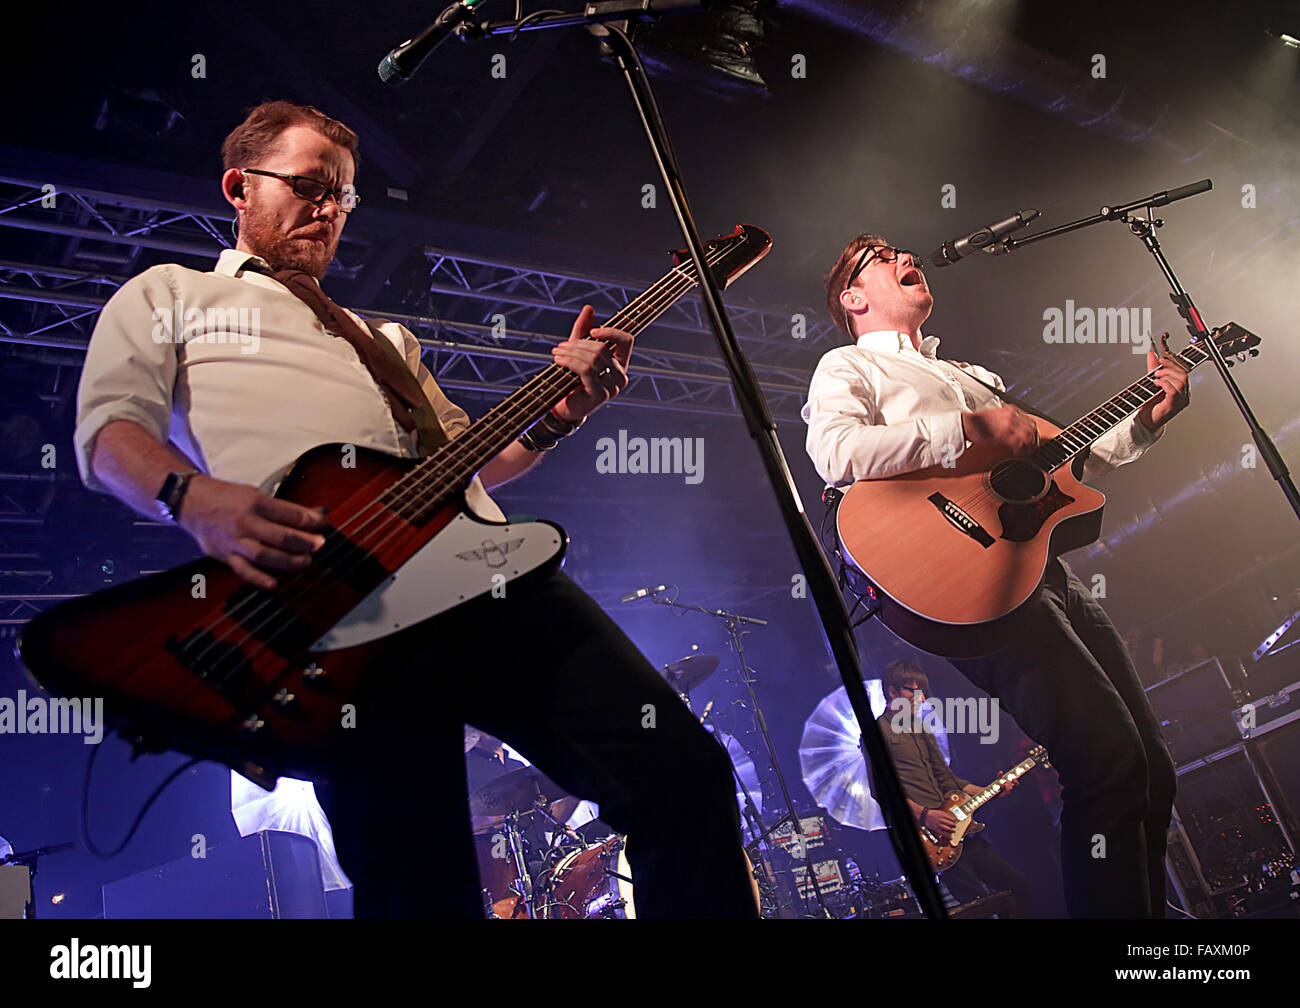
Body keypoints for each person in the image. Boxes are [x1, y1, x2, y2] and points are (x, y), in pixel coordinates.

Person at [73, 100, 756, 918]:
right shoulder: (169, 294)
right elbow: (108, 434)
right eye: (309, 186)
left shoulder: (385, 340)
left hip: (491, 583)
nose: (329, 210)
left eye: (345, 197)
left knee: (685, 778)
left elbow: (475, 462)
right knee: (418, 885)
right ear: (238, 187)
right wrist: (193, 498)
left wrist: (563, 412)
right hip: (341, 615)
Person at [804, 234, 1188, 918]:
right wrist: (967, 427)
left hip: (1044, 570)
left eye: (902, 249)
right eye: (881, 256)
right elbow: (835, 453)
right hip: (969, 576)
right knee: (1104, 759)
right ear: (853, 297)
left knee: (1151, 769)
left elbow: (1061, 466)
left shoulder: (971, 375)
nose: (903, 256)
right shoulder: (849, 366)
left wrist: (1147, 422)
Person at [875, 660, 1031, 915]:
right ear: (893, 692)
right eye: (914, 692)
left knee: (1017, 887)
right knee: (978, 906)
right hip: (931, 838)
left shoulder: (921, 729)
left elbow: (948, 780)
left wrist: (990, 790)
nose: (921, 699)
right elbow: (883, 793)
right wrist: (926, 815)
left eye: (923, 692)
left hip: (960, 827)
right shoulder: (877, 733)